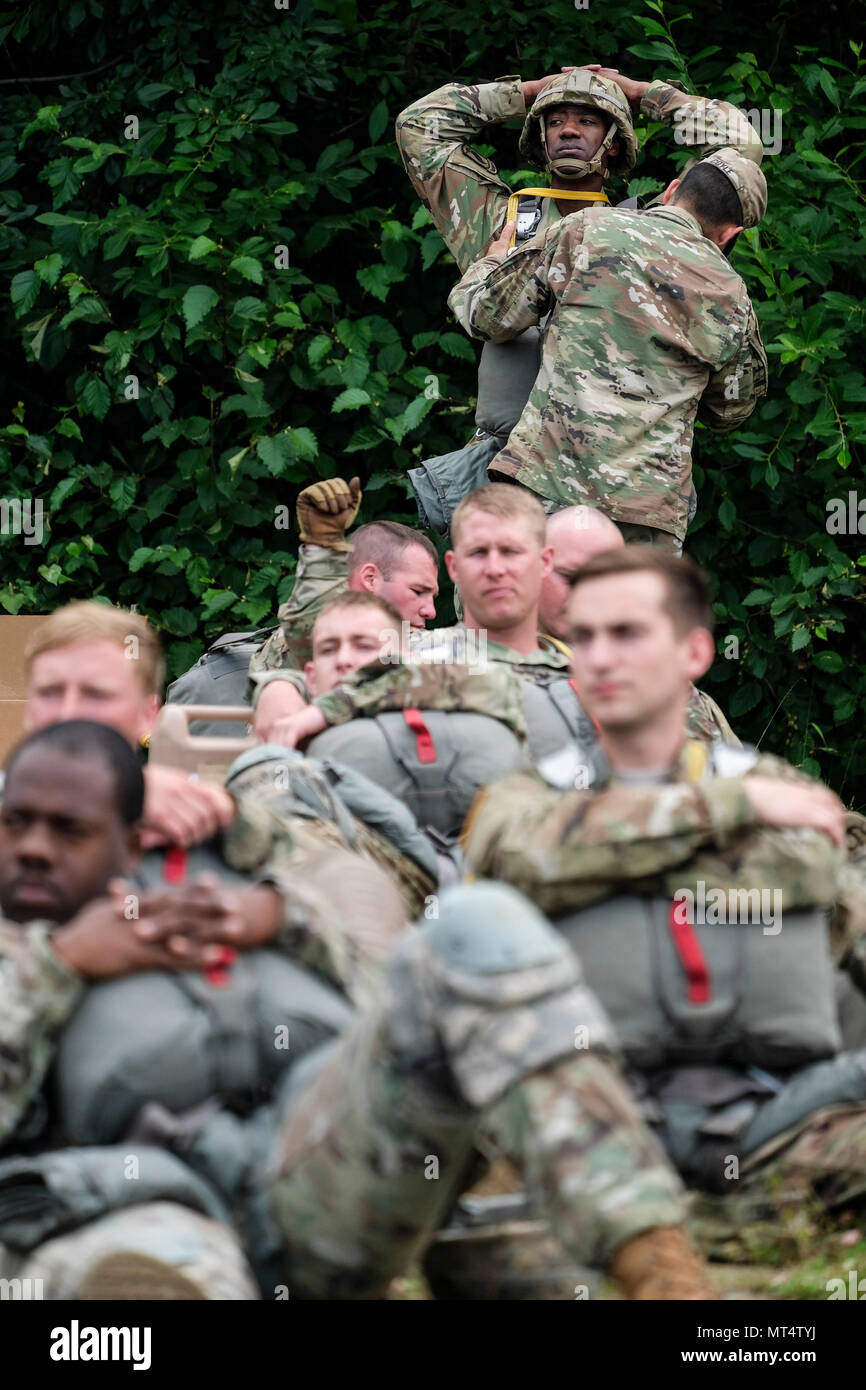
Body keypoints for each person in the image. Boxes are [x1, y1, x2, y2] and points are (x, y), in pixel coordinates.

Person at [0, 722, 713, 1300]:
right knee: (141, 1287)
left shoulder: (220, 876)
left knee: (479, 921)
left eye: (69, 830)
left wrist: (276, 915)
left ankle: (660, 1268)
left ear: (129, 837)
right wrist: (59, 966)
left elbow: (386, 993)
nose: (34, 849)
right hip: (130, 1214)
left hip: (313, 1176)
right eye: (17, 824)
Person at [462, 548, 866, 1237]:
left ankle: (715, 1218)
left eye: (627, 634)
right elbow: (519, 858)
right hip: (581, 1127)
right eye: (582, 637)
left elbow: (836, 904)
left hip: (779, 1122)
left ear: (696, 651)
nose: (598, 657)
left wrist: (605, 860)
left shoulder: (787, 793)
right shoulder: (522, 799)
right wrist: (722, 816)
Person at [396, 64, 764, 531]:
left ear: (614, 141)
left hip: (615, 464)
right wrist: (528, 92)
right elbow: (418, 126)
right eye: (555, 120)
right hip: (514, 463)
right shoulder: (503, 222)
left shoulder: (644, 231)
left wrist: (641, 94)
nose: (568, 129)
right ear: (541, 136)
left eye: (587, 120)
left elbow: (738, 155)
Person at [264, 486, 737, 759]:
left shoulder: (655, 686)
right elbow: (313, 660)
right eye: (482, 554)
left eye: (510, 553)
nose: (496, 569)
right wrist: (281, 687)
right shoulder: (427, 654)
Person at [449, 149, 768, 551]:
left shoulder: (585, 229)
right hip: (646, 516)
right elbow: (730, 411)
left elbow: (486, 317)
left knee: (520, 611)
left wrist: (490, 263)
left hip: (546, 486)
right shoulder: (732, 297)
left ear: (671, 192)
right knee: (626, 615)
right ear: (731, 235)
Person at [23, 601, 235, 850]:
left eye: (96, 694)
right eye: (50, 692)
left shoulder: (189, 812)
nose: (68, 713)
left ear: (148, 715)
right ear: (28, 709)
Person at [250, 479, 440, 735]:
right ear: (371, 579)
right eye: (417, 592)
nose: (431, 611)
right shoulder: (311, 633)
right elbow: (308, 622)